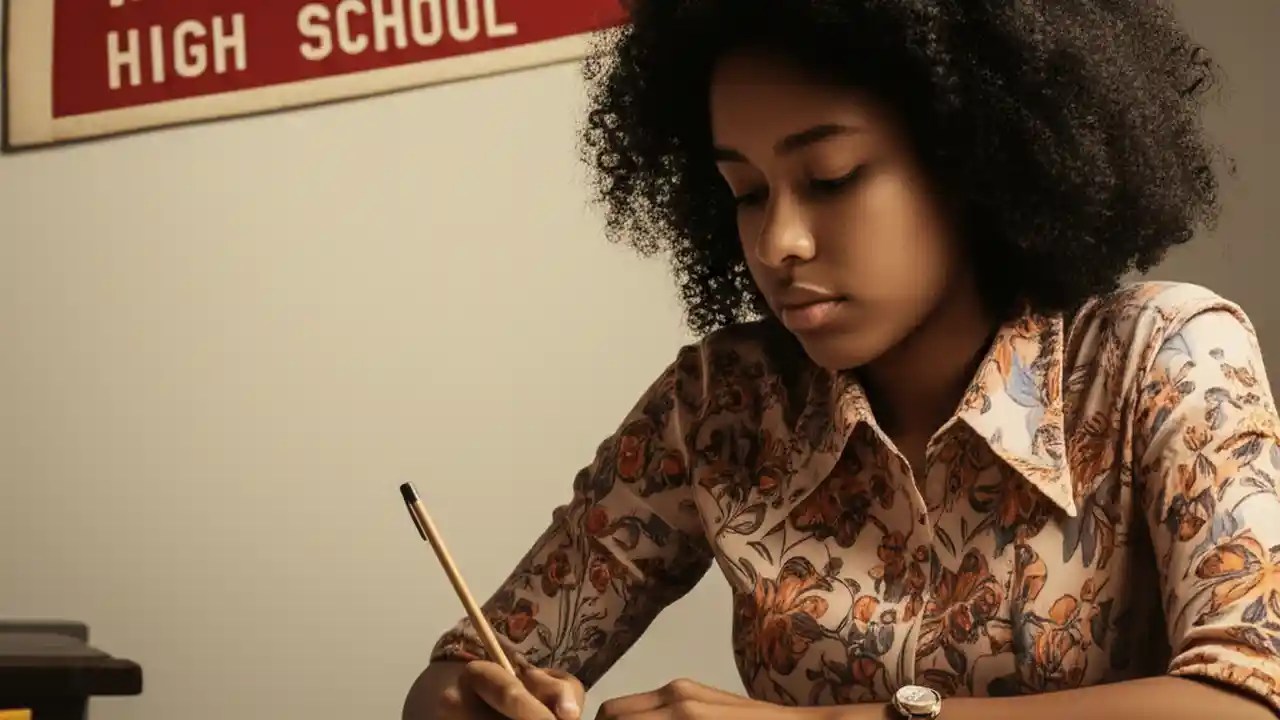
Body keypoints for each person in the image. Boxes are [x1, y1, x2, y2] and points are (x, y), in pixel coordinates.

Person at [403, 2, 1280, 719]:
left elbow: (1245, 697)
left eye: (830, 177)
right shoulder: (720, 406)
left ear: (969, 161)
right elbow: (465, 674)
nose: (777, 241)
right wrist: (477, 700)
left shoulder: (1161, 356)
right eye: (745, 193)